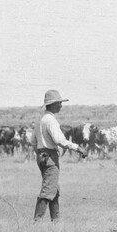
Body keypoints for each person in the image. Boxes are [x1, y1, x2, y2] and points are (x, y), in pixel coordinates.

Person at [34, 89, 87, 222]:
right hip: (50, 157)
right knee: (48, 190)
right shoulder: (50, 120)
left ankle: (56, 221)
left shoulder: (39, 119)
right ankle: (36, 222)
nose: (61, 105)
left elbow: (33, 141)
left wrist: (40, 154)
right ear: (52, 104)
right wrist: (77, 148)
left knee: (54, 189)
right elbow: (59, 141)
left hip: (41, 156)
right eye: (59, 103)